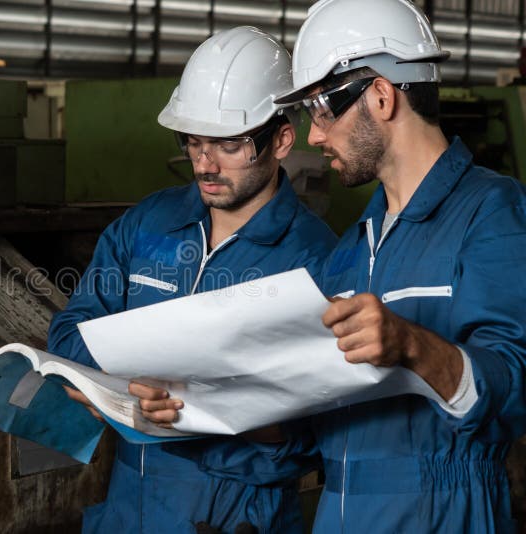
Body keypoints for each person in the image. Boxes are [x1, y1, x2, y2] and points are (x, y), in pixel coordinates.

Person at [155, 0, 526, 532]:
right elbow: (309, 436)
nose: (312, 136)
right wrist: (192, 406)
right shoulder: (351, 252)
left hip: (448, 512)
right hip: (340, 514)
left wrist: (413, 345)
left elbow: (514, 387)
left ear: (380, 96)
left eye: (321, 112)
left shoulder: (492, 213)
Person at [47, 26, 337, 534]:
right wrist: (113, 386)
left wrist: (218, 411)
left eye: (227, 144)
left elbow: (330, 427)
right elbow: (73, 330)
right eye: (193, 141)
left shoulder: (318, 259)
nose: (204, 163)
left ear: (282, 140)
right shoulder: (147, 225)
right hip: (130, 504)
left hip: (239, 513)